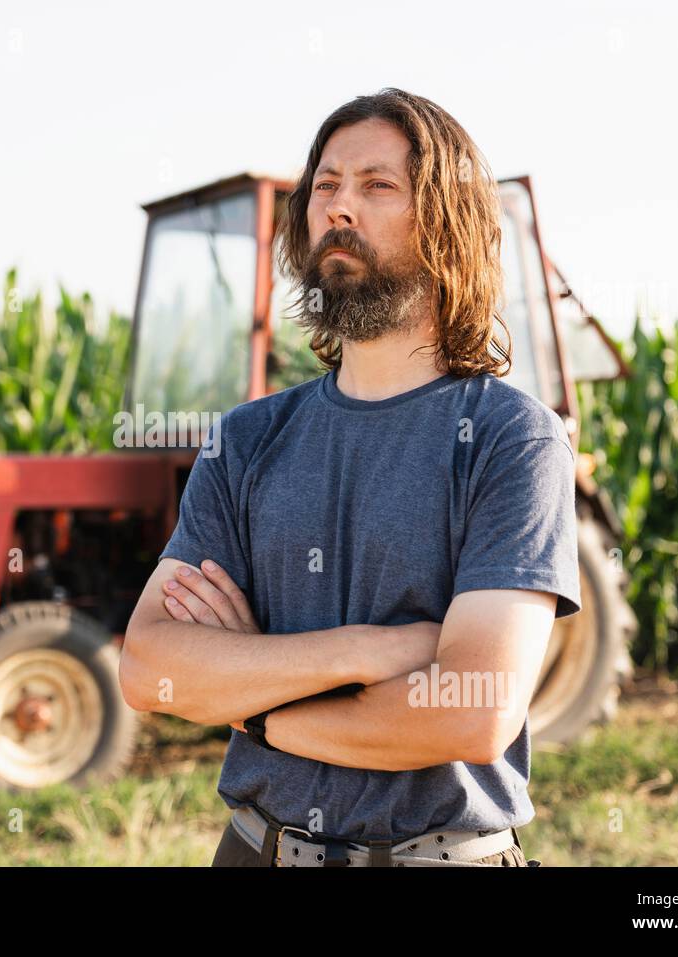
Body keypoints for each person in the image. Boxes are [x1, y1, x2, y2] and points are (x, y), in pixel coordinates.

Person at [118, 87, 579, 868]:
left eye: (377, 185)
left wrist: (252, 699)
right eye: (325, 185)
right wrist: (369, 651)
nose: (339, 206)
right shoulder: (246, 438)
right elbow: (150, 667)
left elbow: (471, 708)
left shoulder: (511, 439)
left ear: (445, 225)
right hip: (255, 851)